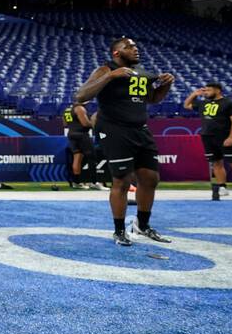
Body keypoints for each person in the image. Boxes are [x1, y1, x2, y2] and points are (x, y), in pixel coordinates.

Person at [75, 37, 175, 246]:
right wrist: (110, 76)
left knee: (150, 178)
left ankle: (142, 225)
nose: (135, 49)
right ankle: (119, 230)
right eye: (128, 47)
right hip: (114, 129)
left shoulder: (142, 72)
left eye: (136, 46)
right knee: (122, 180)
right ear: (116, 53)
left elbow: (152, 99)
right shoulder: (105, 69)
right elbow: (81, 96)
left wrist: (165, 85)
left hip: (140, 129)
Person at [184, 82, 232, 200]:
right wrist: (194, 94)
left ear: (217, 90)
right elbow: (186, 105)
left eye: (208, 90)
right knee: (216, 163)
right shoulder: (204, 103)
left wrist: (231, 137)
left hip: (224, 136)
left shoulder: (229, 103)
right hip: (207, 136)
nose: (205, 92)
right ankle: (222, 186)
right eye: (205, 90)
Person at [62, 101, 100, 190]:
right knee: (92, 157)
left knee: (77, 157)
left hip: (71, 134)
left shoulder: (67, 110)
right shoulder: (80, 108)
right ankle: (93, 182)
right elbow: (85, 124)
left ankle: (76, 182)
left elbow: (65, 124)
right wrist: (93, 123)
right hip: (82, 135)